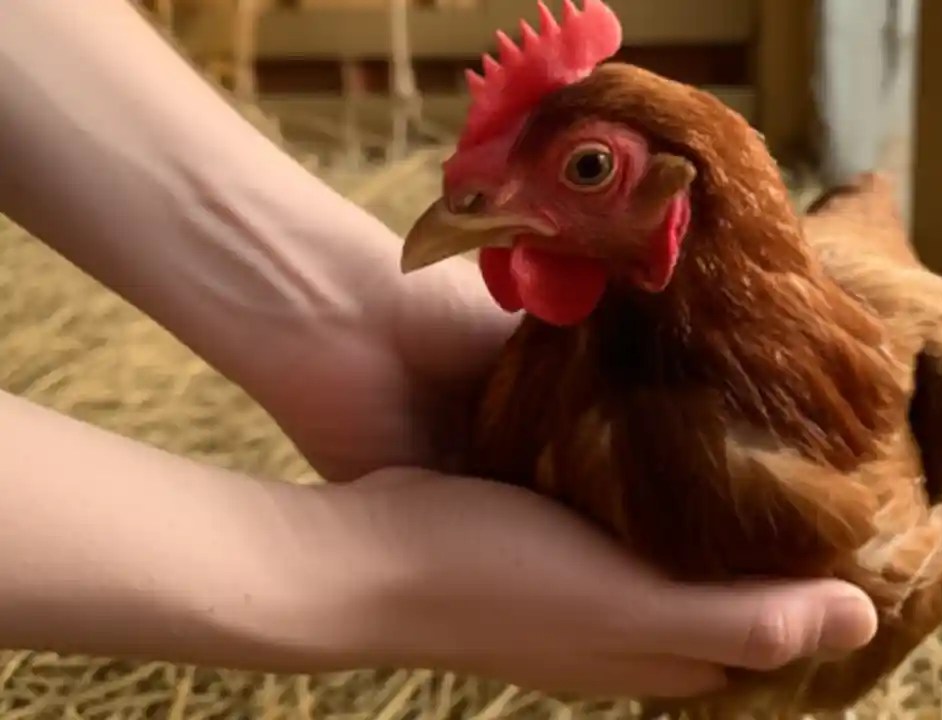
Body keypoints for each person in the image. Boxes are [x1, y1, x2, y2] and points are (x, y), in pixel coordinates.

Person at [0, 0, 878, 700]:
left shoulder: (907, 383)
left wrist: (342, 313)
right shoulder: (544, 405)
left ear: (686, 203)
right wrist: (363, 568)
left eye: (587, 169)